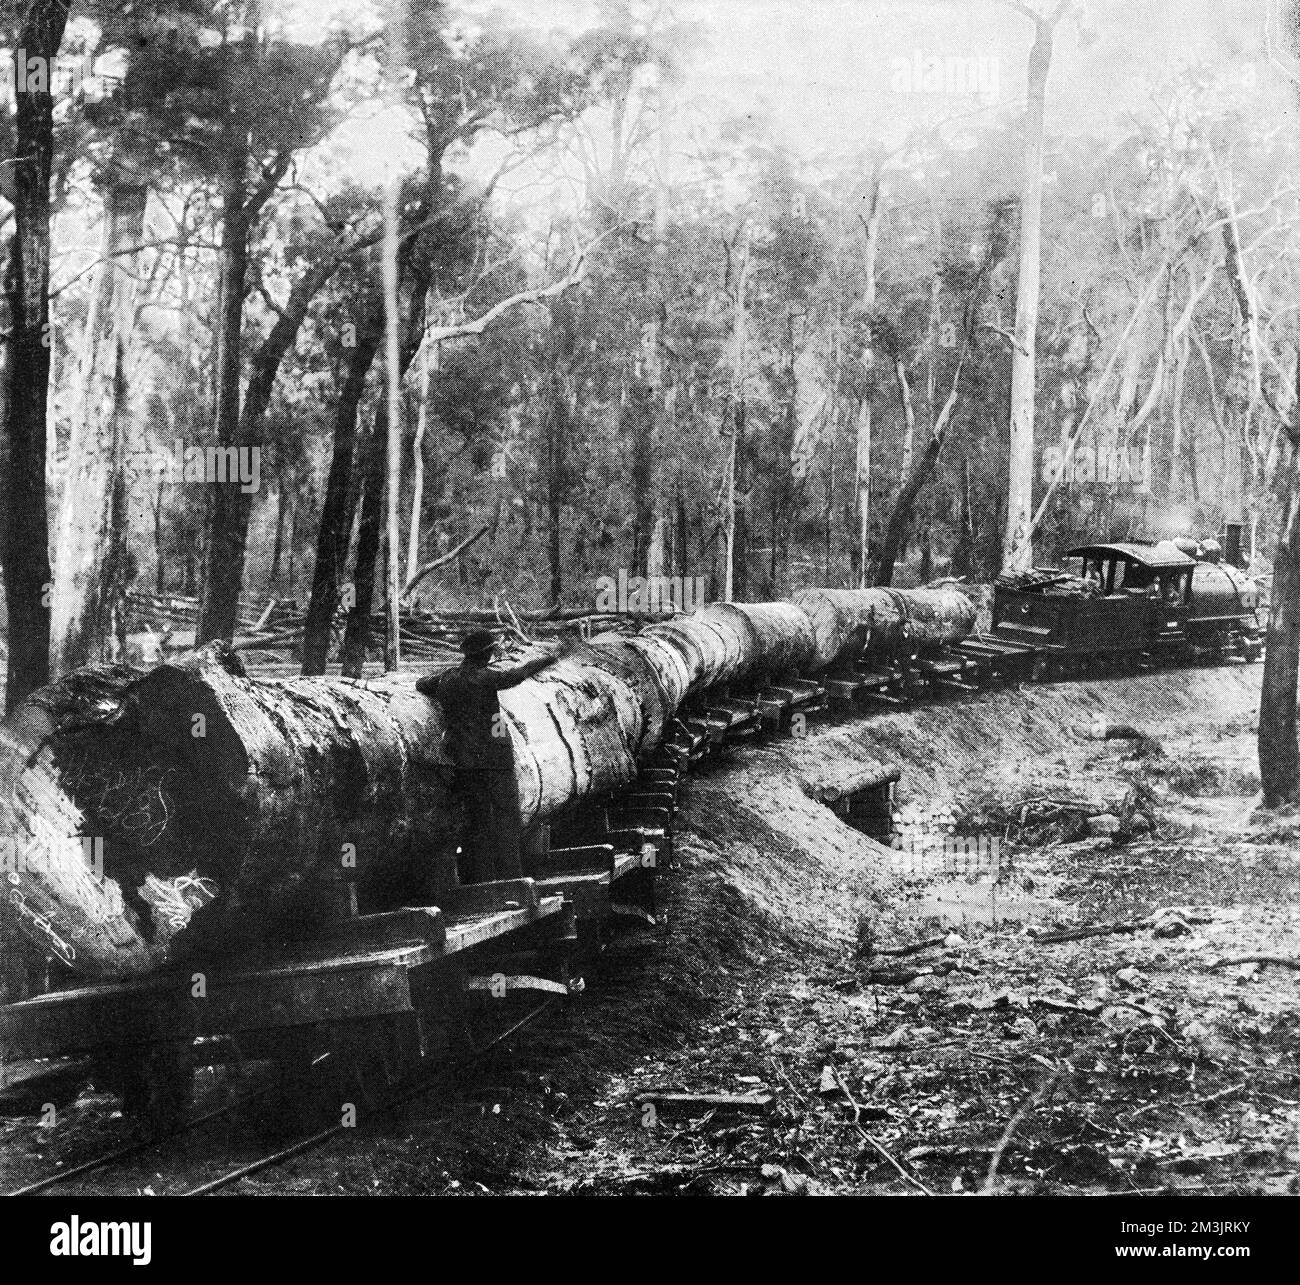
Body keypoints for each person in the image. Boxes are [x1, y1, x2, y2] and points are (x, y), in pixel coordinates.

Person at [416, 629, 573, 884]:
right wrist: (550, 658)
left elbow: (421, 684)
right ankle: (512, 878)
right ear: (487, 654)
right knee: (507, 820)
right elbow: (519, 674)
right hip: (496, 760)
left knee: (478, 823)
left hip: (464, 763)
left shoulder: (447, 678)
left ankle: (481, 881)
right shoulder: (487, 678)